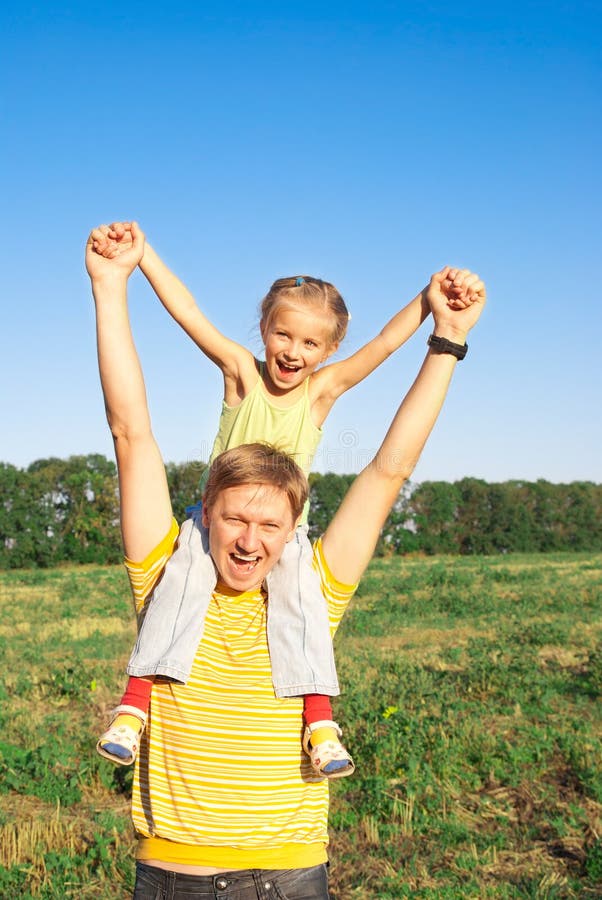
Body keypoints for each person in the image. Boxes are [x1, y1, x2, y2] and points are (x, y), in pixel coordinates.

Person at [86, 221, 485, 898]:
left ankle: (319, 721)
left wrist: (442, 331)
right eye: (235, 518)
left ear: (293, 524)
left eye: (269, 523)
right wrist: (115, 280)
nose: (249, 541)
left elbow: (389, 469)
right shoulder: (168, 573)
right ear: (207, 511)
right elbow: (131, 432)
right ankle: (134, 704)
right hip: (169, 876)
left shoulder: (311, 586)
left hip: (289, 878)